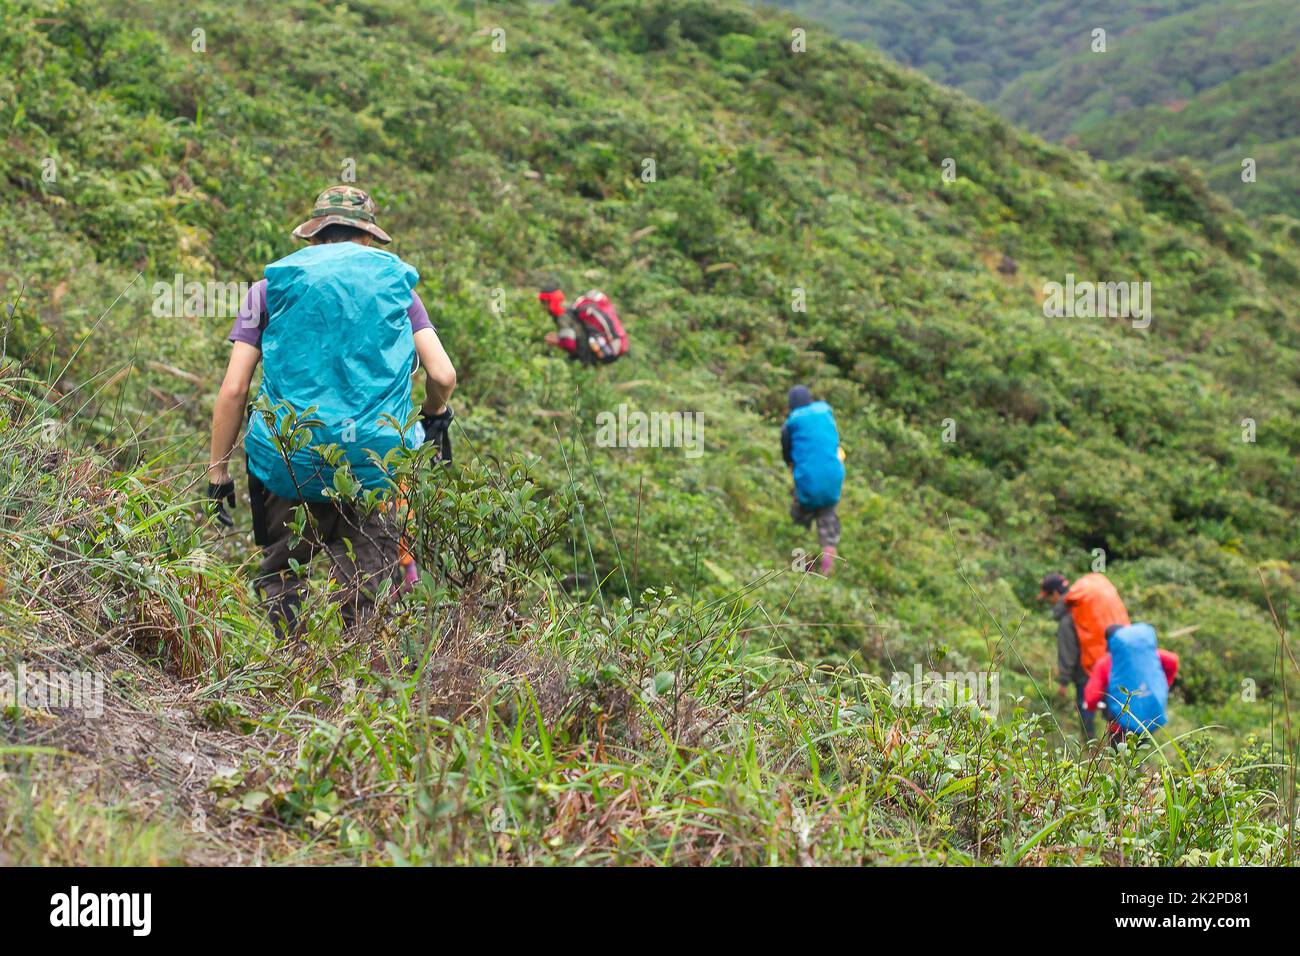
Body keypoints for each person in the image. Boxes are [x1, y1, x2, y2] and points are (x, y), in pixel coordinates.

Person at [206, 186, 457, 635]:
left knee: (283, 573)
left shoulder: (269, 288)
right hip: (375, 461)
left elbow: (234, 389)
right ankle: (361, 680)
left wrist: (218, 471)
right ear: (366, 238)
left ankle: (290, 662)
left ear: (316, 237)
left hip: (291, 456)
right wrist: (434, 418)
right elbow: (443, 375)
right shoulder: (398, 289)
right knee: (369, 584)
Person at [1039, 571, 1130, 739]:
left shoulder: (1069, 617)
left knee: (1086, 707)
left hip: (1086, 672)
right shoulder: (1083, 606)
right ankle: (1119, 752)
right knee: (1111, 710)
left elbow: (1068, 651)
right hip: (1108, 665)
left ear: (1056, 594)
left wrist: (1063, 681)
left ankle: (1089, 746)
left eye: (1047, 598)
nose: (1048, 602)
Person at [781, 385, 844, 576]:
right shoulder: (825, 415)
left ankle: (802, 569)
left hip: (807, 484)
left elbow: (787, 456)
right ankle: (827, 575)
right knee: (828, 527)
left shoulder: (790, 425)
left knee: (800, 524)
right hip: (833, 479)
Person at [1084, 623, 1179, 746]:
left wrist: (1091, 706)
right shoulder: (1149, 655)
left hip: (1119, 726)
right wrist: (1163, 685)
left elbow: (1091, 696)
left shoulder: (1105, 663)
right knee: (1136, 752)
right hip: (1149, 720)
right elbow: (1173, 660)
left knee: (1119, 759)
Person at [538, 286, 628, 364]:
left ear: (549, 302)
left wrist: (556, 341)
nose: (543, 306)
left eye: (543, 302)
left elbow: (570, 344)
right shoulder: (570, 310)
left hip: (587, 356)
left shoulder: (562, 318)